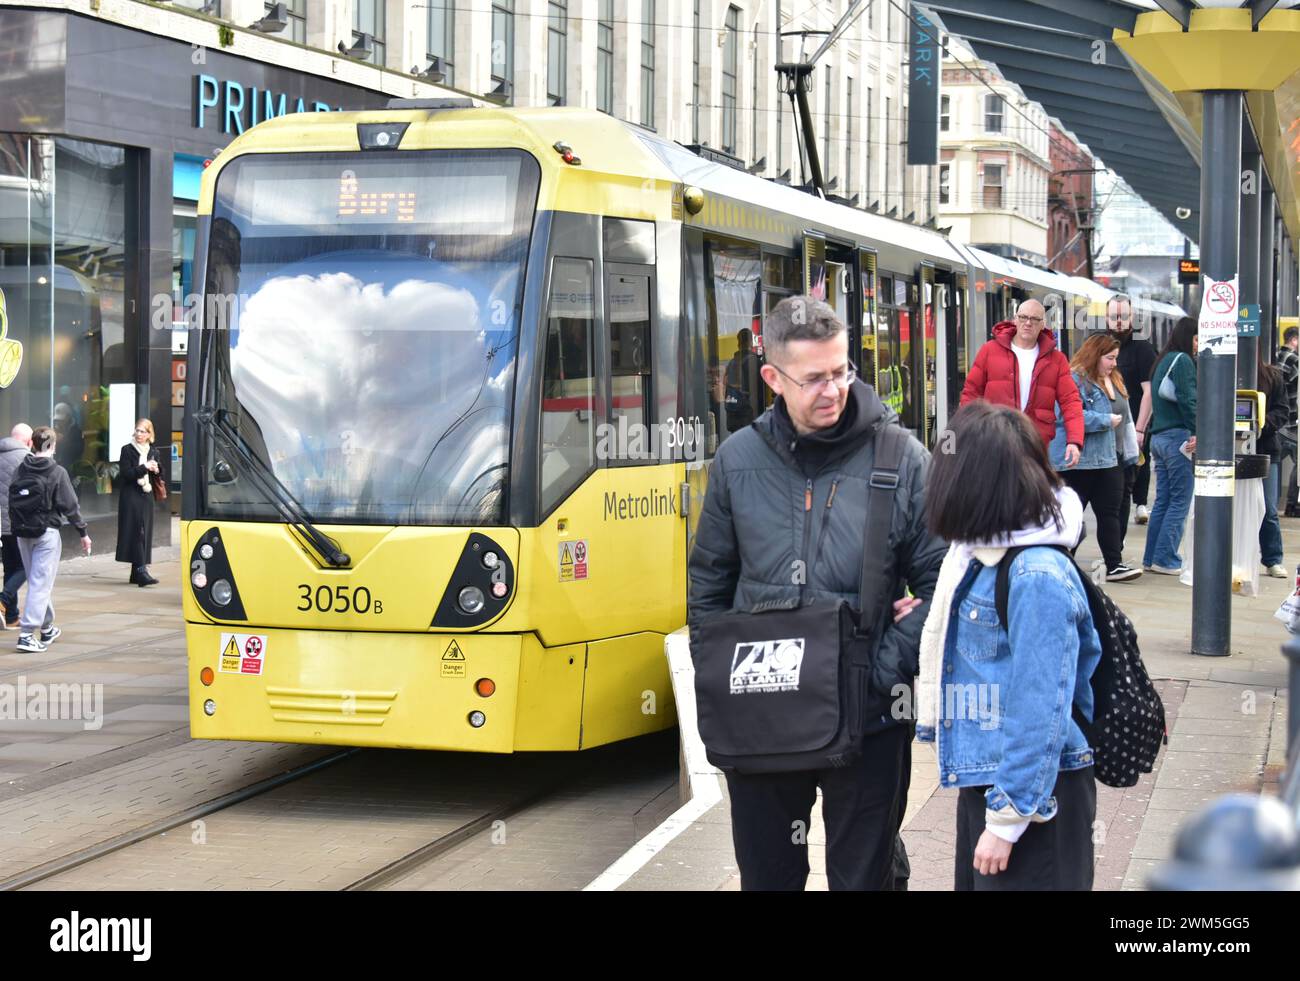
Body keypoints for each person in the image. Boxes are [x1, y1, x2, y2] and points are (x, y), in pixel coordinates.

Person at [688, 295, 946, 891]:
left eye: (841, 372)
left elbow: (944, 584)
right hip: (762, 714)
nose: (831, 390)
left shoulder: (902, 458)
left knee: (866, 879)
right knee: (769, 878)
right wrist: (718, 678)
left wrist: (882, 668)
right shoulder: (737, 460)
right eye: (813, 379)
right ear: (772, 378)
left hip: (871, 716)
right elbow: (709, 584)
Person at [918, 401, 1103, 890]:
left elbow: (1040, 706)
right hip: (997, 779)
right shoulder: (987, 555)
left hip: (1032, 794)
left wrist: (1008, 817)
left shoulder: (1035, 573)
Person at [1049, 334, 1142, 582]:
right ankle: (1062, 562)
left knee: (1109, 513)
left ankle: (1114, 565)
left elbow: (1127, 415)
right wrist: (1104, 421)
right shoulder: (1073, 379)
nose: (1114, 364)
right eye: (1109, 358)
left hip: (1110, 459)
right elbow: (1066, 415)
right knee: (1072, 514)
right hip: (1078, 461)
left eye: (1116, 358)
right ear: (1094, 355)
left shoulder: (1114, 379)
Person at [960, 298, 1084, 466]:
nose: (1028, 323)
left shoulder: (1057, 360)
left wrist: (1074, 441)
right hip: (994, 438)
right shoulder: (989, 350)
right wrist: (968, 433)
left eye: (1034, 319)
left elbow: (1071, 401)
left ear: (1043, 325)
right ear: (1015, 320)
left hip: (1035, 442)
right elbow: (971, 394)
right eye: (1023, 317)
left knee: (1030, 490)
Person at [10, 427, 91, 653]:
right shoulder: (56, 472)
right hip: (46, 534)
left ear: (32, 444)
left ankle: (47, 629)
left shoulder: (21, 469)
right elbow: (71, 506)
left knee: (37, 582)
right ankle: (26, 635)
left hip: (22, 532)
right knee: (40, 583)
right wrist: (83, 532)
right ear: (53, 446)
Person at [1142, 317, 1198, 575]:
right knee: (1180, 500)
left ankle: (1151, 556)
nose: (1198, 345)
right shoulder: (1183, 361)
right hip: (1178, 438)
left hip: (1159, 438)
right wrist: (1198, 431)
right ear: (1189, 338)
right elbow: (1187, 399)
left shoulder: (1162, 360)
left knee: (1163, 499)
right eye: (1197, 339)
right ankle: (1166, 559)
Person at [1107, 294, 1158, 529]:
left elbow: (1149, 391)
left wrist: (1140, 427)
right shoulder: (1098, 344)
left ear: (1132, 318)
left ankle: (1139, 503)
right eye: (1114, 317)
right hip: (1105, 422)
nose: (1119, 321)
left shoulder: (1142, 348)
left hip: (1135, 418)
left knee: (1139, 463)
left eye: (1124, 317)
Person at [117, 419, 162, 586]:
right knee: (137, 532)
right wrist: (144, 467)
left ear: (150, 434)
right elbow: (126, 473)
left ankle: (135, 573)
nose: (139, 434)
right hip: (131, 496)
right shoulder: (127, 450)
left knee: (143, 532)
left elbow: (158, 475)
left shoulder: (154, 452)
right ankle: (142, 571)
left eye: (143, 431)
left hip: (147, 497)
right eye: (137, 430)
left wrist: (156, 469)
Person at [1256, 357, 1289, 578]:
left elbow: (1282, 410)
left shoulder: (1273, 376)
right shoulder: (1219, 371)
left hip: (1266, 447)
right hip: (1229, 448)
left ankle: (1273, 558)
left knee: (1268, 508)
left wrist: (1262, 422)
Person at [0, 423, 32, 627]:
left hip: (0, 524)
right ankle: (3, 600)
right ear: (28, 441)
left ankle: (11, 616)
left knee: (11, 567)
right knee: (26, 567)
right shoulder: (27, 459)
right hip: (18, 522)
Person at [1277, 326, 1299, 517]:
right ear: (1294, 340)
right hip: (1292, 424)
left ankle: (1273, 502)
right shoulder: (1294, 360)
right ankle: (1292, 505)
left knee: (1273, 461)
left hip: (1278, 423)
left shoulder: (1275, 356)